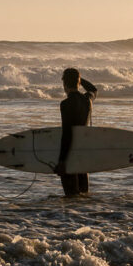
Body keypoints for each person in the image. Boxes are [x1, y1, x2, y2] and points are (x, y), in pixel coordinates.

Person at [53, 68, 97, 196]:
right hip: (83, 154)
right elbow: (93, 89)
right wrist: (79, 79)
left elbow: (67, 133)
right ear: (78, 82)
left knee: (71, 198)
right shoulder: (87, 100)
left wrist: (62, 161)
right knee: (83, 197)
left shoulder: (66, 104)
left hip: (70, 156)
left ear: (64, 84)